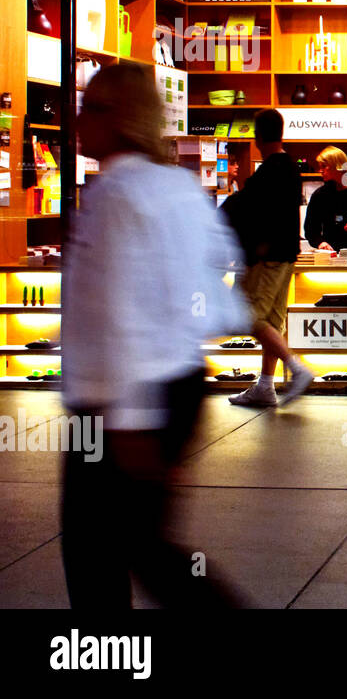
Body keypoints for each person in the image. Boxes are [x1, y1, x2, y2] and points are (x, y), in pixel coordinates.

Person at [62, 62, 247, 607]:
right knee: (135, 545)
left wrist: (132, 421)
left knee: (108, 552)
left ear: (119, 118)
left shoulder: (113, 195)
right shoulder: (177, 187)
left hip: (117, 405)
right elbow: (217, 281)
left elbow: (120, 314)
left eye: (90, 108)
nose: (77, 121)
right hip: (177, 383)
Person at [220, 109, 316, 406]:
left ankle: (295, 367)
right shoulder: (289, 167)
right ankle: (265, 385)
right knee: (272, 321)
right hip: (286, 256)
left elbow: (247, 210)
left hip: (267, 257)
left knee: (252, 317)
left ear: (257, 136)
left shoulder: (269, 171)